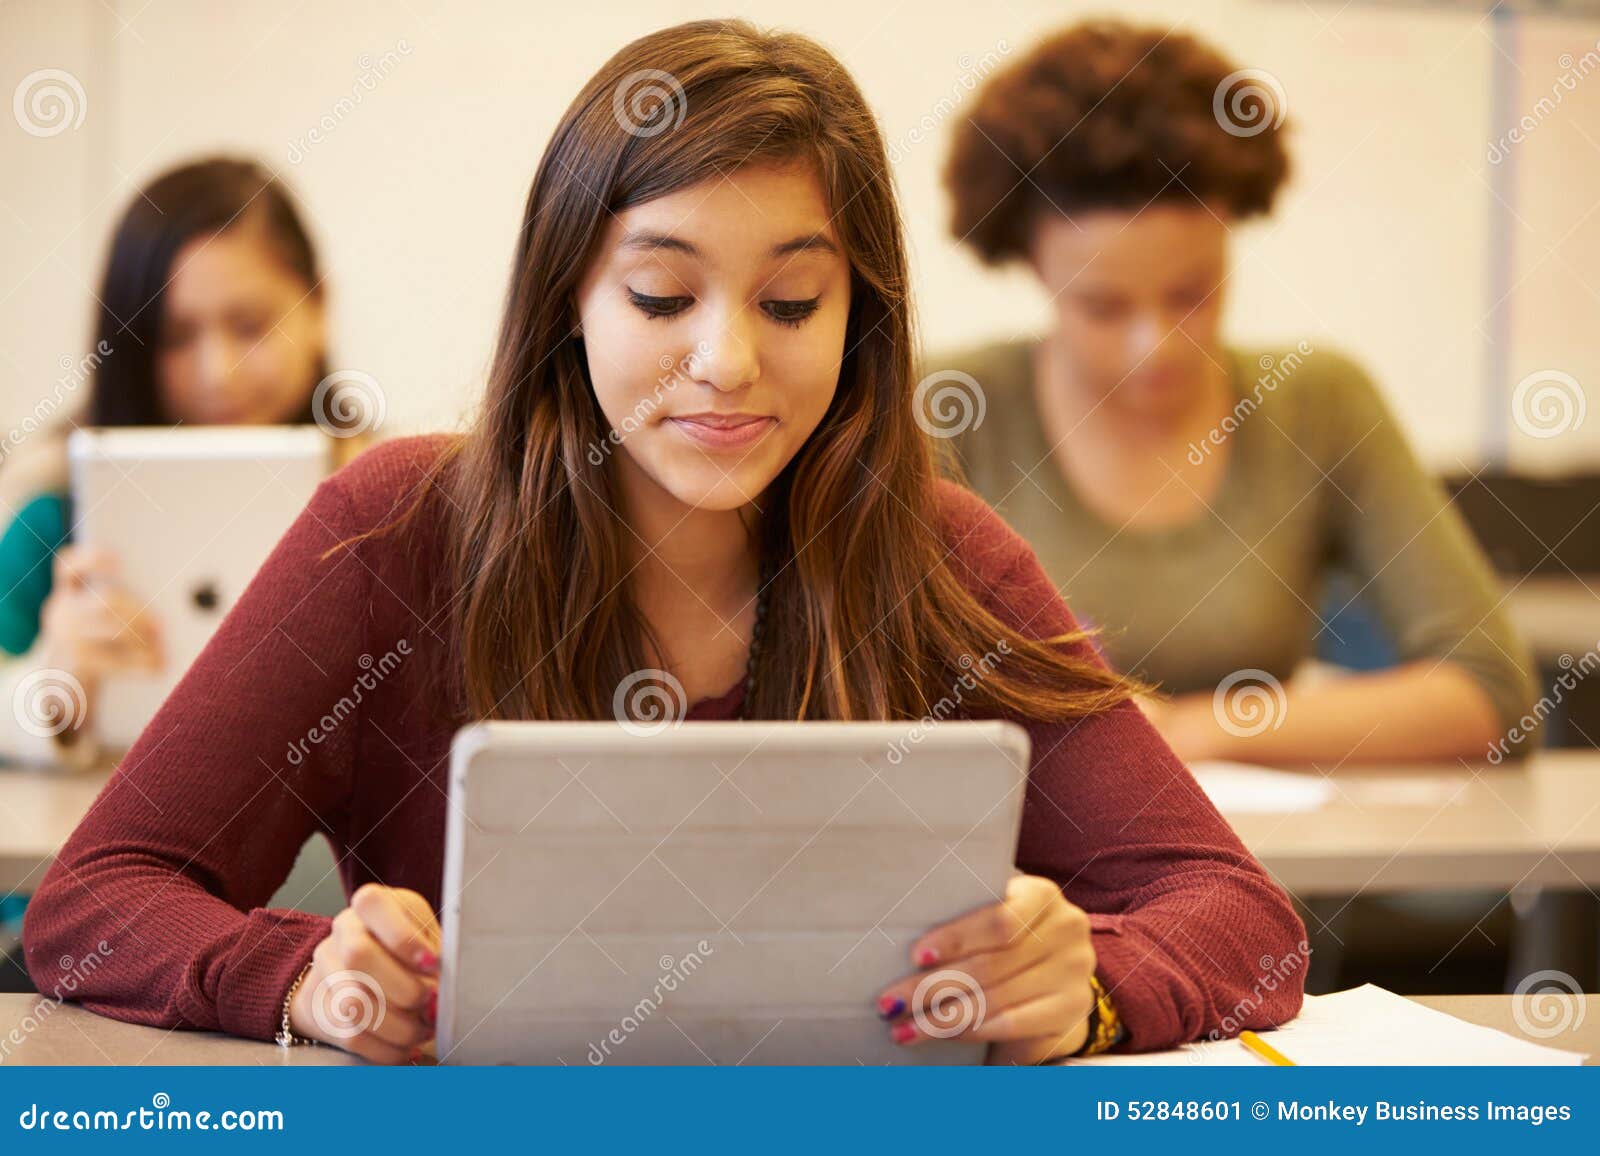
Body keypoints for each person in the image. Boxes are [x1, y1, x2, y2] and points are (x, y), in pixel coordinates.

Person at [24, 20, 1305, 1065]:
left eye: (791, 301)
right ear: (568, 300)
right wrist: (304, 975)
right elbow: (94, 902)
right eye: (660, 294)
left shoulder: (938, 556)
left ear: (858, 317)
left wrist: (1090, 990)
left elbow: (1244, 920)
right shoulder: (397, 528)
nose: (726, 360)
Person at [929, 20, 1538, 765]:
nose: (1154, 346)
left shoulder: (1319, 404)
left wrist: (1187, 731)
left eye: (1192, 294)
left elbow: (1490, 689)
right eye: (1103, 307)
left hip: (1263, 838)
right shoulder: (946, 408)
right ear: (1032, 265)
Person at [0, 157, 372, 767]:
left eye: (249, 326)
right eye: (175, 337)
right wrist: (51, 691)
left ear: (318, 309)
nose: (216, 373)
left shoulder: (399, 502)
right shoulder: (53, 518)